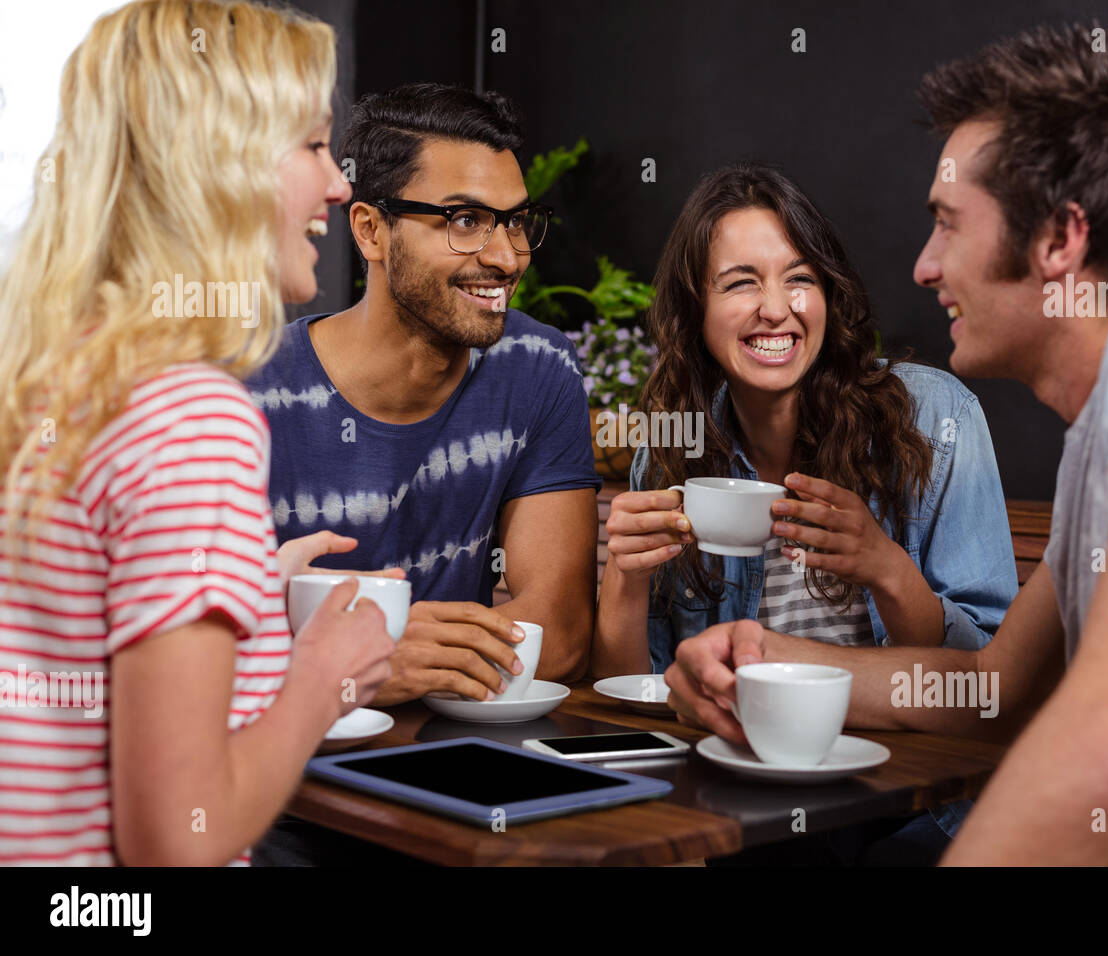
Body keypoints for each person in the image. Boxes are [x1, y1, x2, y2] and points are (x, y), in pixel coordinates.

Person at [666, 23, 1108, 866]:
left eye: (948, 225)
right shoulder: (1106, 437)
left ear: (1058, 240)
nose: (926, 267)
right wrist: (765, 657)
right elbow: (991, 691)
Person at [0, 0, 394, 866]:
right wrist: (323, 678)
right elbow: (176, 842)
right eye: (313, 145)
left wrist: (245, 585)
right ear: (222, 166)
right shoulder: (191, 417)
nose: (339, 183)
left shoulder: (50, 374)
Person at [592, 162, 1020, 863]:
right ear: (694, 313)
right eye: (740, 283)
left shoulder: (934, 418)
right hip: (750, 802)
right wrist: (625, 579)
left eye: (799, 278)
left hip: (911, 806)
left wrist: (886, 568)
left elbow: (985, 683)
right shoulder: (675, 450)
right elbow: (642, 694)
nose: (775, 308)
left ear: (829, 293)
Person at [246, 84, 599, 708]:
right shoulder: (248, 391)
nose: (506, 257)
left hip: (450, 762)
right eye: (465, 221)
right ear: (371, 231)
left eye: (515, 222)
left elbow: (563, 636)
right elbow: (189, 650)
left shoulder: (537, 366)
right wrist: (372, 662)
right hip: (276, 776)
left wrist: (385, 654)